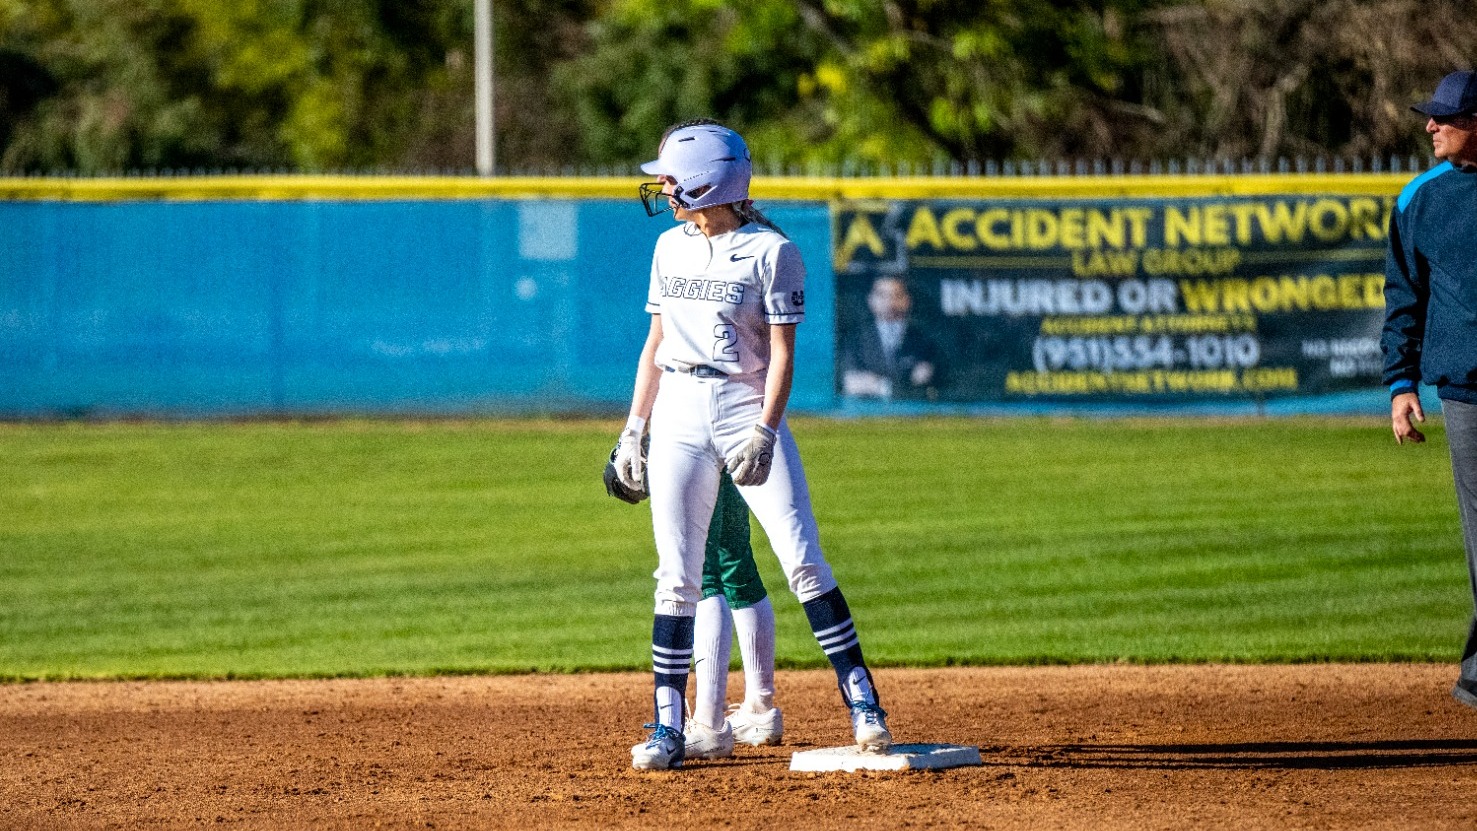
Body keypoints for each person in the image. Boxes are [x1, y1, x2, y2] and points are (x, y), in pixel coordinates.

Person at [613, 120, 892, 770]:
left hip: (742, 407)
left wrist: (766, 428)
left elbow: (783, 355)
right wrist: (634, 427)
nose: (662, 188)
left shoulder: (772, 251)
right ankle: (668, 727)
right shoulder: (668, 248)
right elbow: (655, 345)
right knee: (675, 578)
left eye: (672, 178)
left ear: (708, 181)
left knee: (802, 560)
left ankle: (863, 702)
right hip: (678, 411)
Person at [1382, 69, 1477, 709]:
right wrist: (1400, 383)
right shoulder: (1422, 196)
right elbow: (1404, 297)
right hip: (1467, 392)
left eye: (1443, 117)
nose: (1430, 125)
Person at [603, 441, 783, 758]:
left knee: (705, 572)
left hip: (701, 438)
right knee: (737, 564)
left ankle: (708, 722)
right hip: (741, 433)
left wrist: (635, 438)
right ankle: (759, 709)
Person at [839, 275, 943, 400]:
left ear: (907, 300)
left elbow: (927, 382)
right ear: (870, 300)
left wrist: (878, 385)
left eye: (897, 295)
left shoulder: (924, 339)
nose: (889, 302)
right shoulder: (855, 339)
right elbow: (851, 383)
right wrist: (900, 385)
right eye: (882, 295)